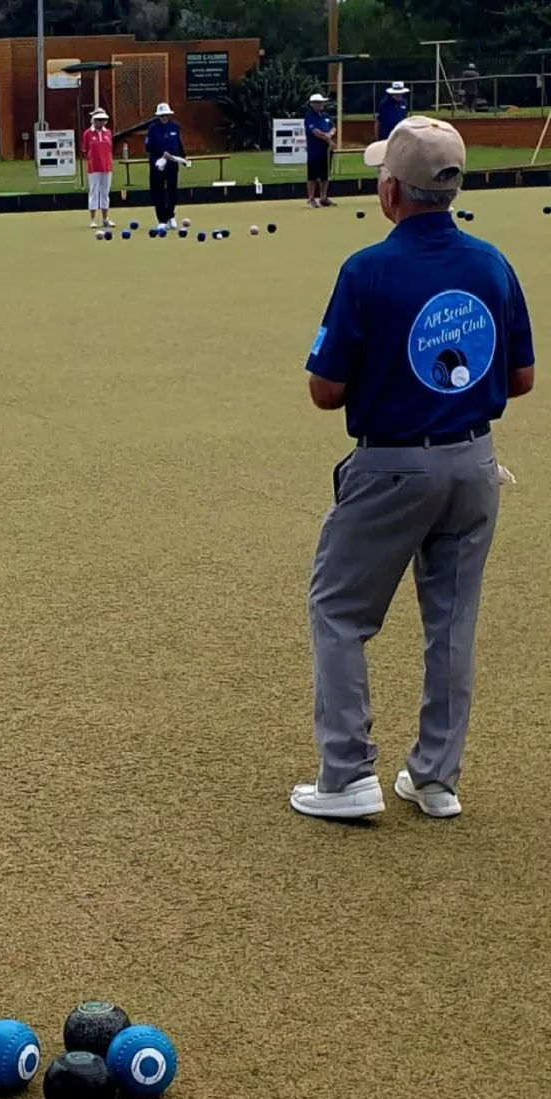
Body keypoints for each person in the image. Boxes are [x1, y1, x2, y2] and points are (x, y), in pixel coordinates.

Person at [291, 117, 535, 822]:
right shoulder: (491, 263)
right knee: (452, 623)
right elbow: (519, 377)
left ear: (391, 189)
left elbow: (324, 389)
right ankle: (435, 777)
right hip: (475, 463)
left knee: (338, 610)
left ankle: (346, 774)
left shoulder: (366, 269)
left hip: (391, 467)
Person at [144, 102, 186, 229]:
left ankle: (171, 216)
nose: (164, 117)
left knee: (172, 191)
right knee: (158, 192)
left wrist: (183, 158)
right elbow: (148, 147)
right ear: (158, 116)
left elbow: (179, 144)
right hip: (157, 164)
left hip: (172, 165)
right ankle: (161, 219)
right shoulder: (152, 129)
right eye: (162, 115)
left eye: (166, 115)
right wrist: (162, 154)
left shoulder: (175, 127)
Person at [82, 108, 114, 229]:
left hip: (107, 166)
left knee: (105, 193)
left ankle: (105, 219)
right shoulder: (87, 134)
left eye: (103, 120)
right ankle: (92, 219)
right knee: (94, 192)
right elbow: (85, 150)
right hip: (94, 167)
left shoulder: (108, 133)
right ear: (93, 120)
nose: (101, 122)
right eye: (98, 120)